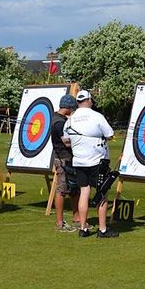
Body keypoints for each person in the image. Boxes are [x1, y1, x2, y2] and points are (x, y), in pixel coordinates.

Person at [63, 90, 118, 239]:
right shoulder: (97, 116)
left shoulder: (71, 119)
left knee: (84, 192)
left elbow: (66, 140)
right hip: (97, 161)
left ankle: (83, 228)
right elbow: (110, 134)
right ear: (88, 100)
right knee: (102, 193)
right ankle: (102, 229)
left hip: (79, 161)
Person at [51, 94, 79, 232]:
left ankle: (77, 218)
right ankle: (60, 223)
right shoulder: (59, 122)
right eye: (72, 109)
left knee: (74, 189)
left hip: (65, 158)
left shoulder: (58, 118)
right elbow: (67, 142)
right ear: (67, 108)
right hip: (64, 158)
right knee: (62, 190)